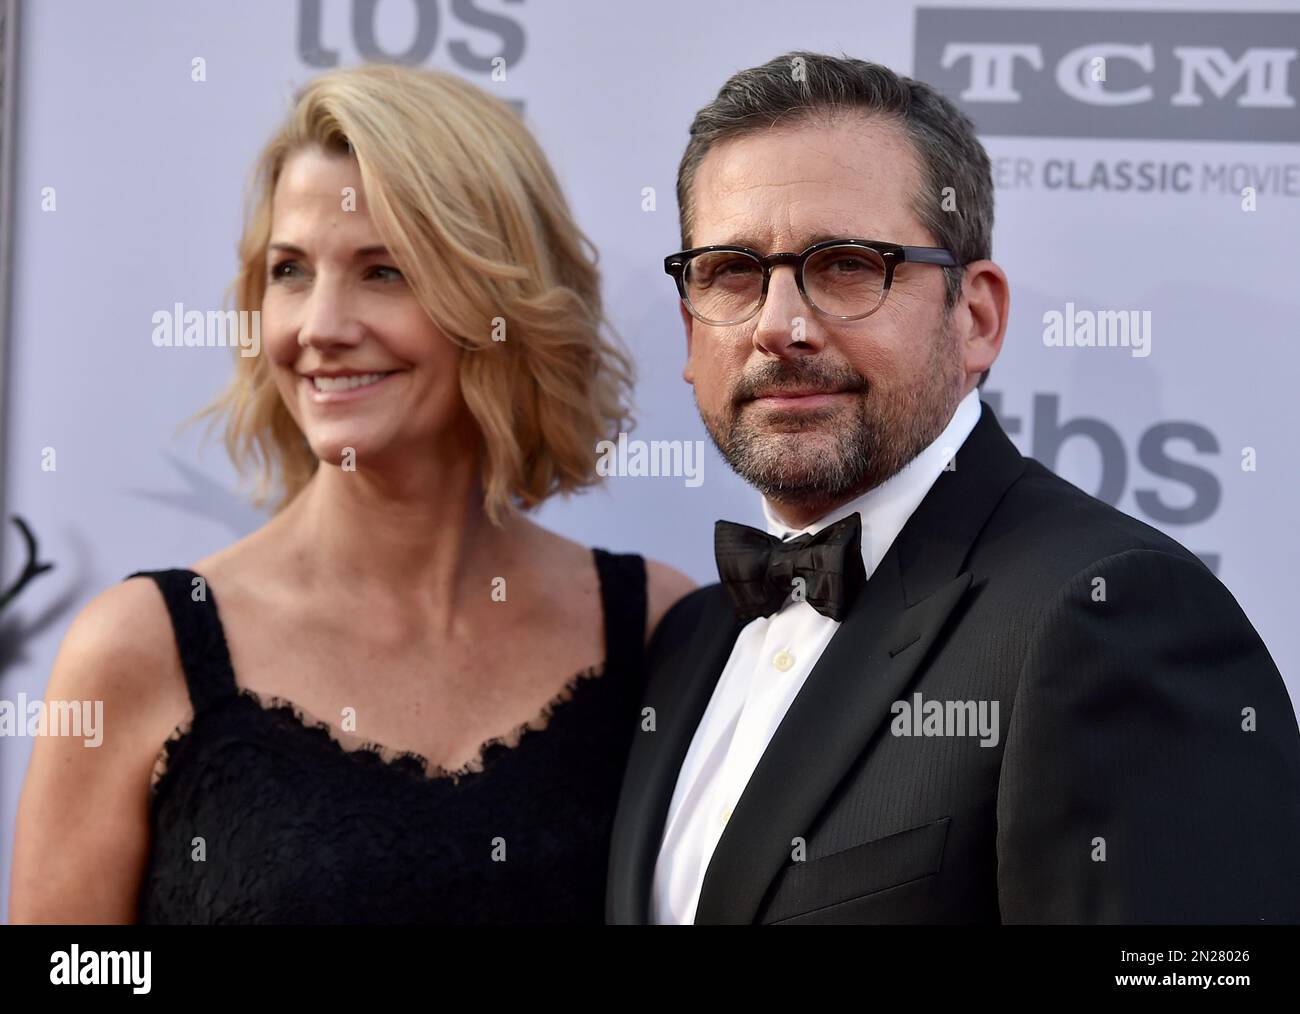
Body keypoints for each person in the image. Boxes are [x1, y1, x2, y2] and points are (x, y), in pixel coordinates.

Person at [607, 51, 1300, 924]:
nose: (778, 327)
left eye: (848, 264)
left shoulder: (1110, 614)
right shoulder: (690, 642)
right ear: (689, 324)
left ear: (976, 317)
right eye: (734, 274)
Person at [11, 63, 694, 924]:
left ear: (497, 298)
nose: (320, 328)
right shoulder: (138, 650)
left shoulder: (658, 633)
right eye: (290, 272)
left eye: (384, 271)